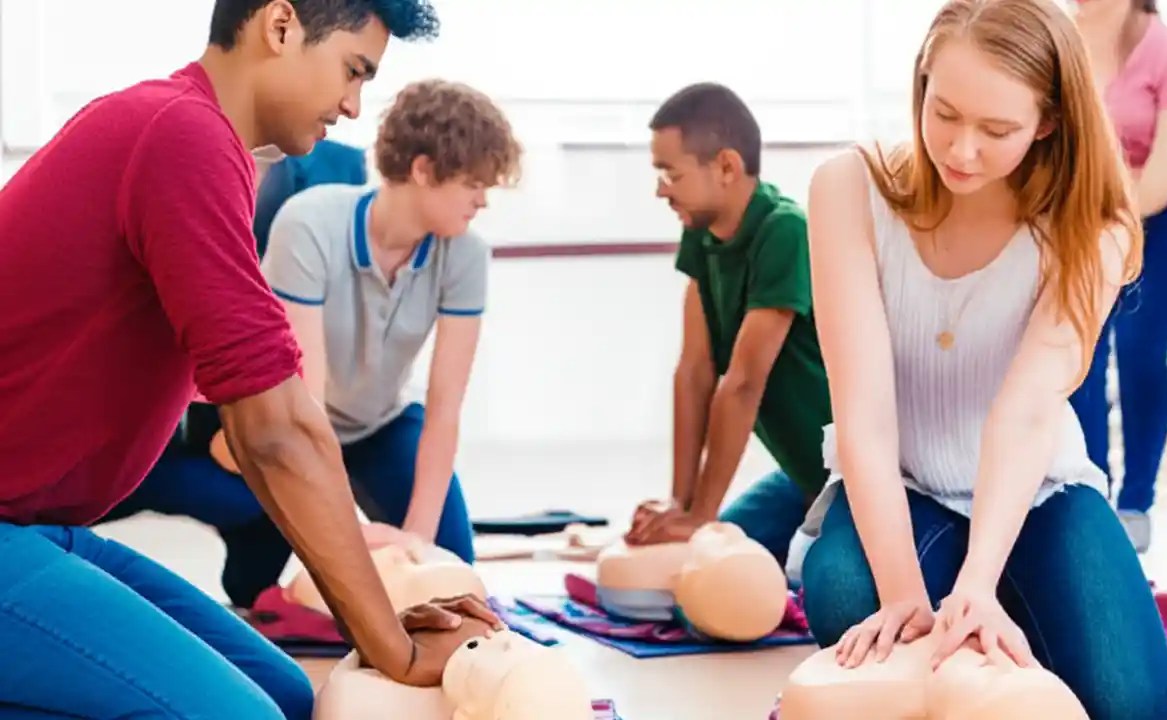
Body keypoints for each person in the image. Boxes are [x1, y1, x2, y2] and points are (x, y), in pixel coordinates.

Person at [0, 2, 507, 718]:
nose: (355, 107)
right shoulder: (180, 135)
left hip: (36, 531)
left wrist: (384, 615)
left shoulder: (195, 137)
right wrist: (390, 641)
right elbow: (273, 430)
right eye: (352, 71)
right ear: (280, 27)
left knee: (285, 692)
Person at [798, 1, 1167, 718]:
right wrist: (907, 600)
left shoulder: (1094, 228)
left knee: (1131, 702)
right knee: (850, 596)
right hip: (901, 483)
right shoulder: (847, 189)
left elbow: (1026, 413)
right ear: (921, 83)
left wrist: (977, 581)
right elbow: (865, 418)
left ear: (1050, 121)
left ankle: (996, 597)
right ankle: (966, 605)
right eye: (944, 112)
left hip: (1037, 488)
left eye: (996, 130)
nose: (961, 150)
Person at [103, 78, 522, 610]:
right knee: (251, 584)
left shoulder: (465, 255)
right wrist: (348, 534)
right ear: (423, 170)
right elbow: (308, 402)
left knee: (450, 566)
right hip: (293, 425)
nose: (483, 200)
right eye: (474, 184)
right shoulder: (311, 223)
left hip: (378, 427)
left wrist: (416, 542)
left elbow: (444, 410)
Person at [626, 82, 833, 579]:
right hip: (801, 479)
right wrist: (681, 504)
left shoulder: (784, 230)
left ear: (725, 167)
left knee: (821, 583)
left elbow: (742, 381)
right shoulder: (701, 231)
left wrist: (701, 517)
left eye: (670, 173)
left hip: (849, 483)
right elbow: (695, 370)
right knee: (700, 572)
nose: (660, 189)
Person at [1068, 0, 1167, 552]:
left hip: (1159, 231)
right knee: (1080, 362)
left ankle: (1136, 502)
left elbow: (1166, 175)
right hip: (1075, 227)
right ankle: (1092, 498)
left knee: (1142, 353)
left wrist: (1105, 202)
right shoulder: (1059, 40)